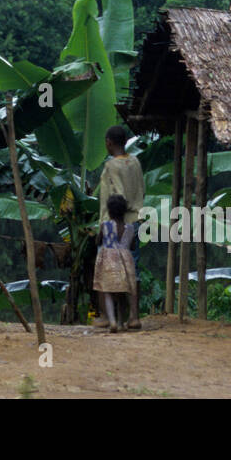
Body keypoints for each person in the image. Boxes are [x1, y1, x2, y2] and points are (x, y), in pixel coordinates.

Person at [94, 125, 143, 329]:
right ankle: (133, 316)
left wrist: (108, 223)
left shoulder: (112, 166)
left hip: (114, 223)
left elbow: (117, 195)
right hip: (134, 221)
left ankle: (107, 317)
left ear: (109, 142)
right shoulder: (136, 162)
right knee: (132, 271)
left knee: (104, 274)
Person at [93, 194, 139, 332]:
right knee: (124, 291)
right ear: (125, 211)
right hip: (126, 261)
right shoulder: (130, 228)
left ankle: (111, 321)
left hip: (108, 261)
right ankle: (122, 322)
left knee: (107, 291)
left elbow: (98, 241)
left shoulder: (105, 225)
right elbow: (132, 247)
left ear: (109, 211)